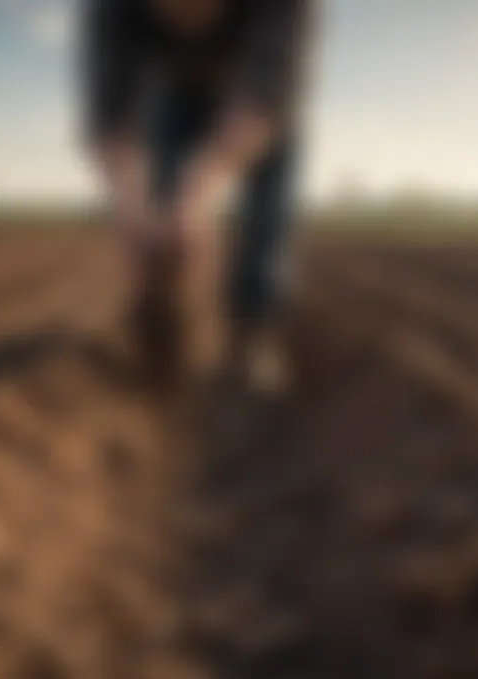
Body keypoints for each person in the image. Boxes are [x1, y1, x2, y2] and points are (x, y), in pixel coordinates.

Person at [82, 0, 312, 391]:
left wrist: (198, 195)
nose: (183, 14)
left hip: (254, 99)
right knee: (161, 206)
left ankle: (252, 330)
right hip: (176, 90)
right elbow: (111, 116)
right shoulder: (114, 9)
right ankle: (161, 330)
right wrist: (133, 206)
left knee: (270, 195)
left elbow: (263, 104)